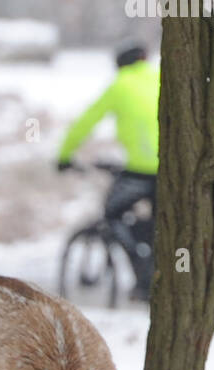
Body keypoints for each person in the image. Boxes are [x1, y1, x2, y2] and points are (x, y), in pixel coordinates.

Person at [57, 41, 159, 299]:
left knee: (113, 214)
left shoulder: (120, 85)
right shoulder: (162, 78)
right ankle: (155, 258)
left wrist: (64, 155)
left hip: (139, 169)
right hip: (172, 168)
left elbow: (86, 122)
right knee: (159, 220)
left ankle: (141, 267)